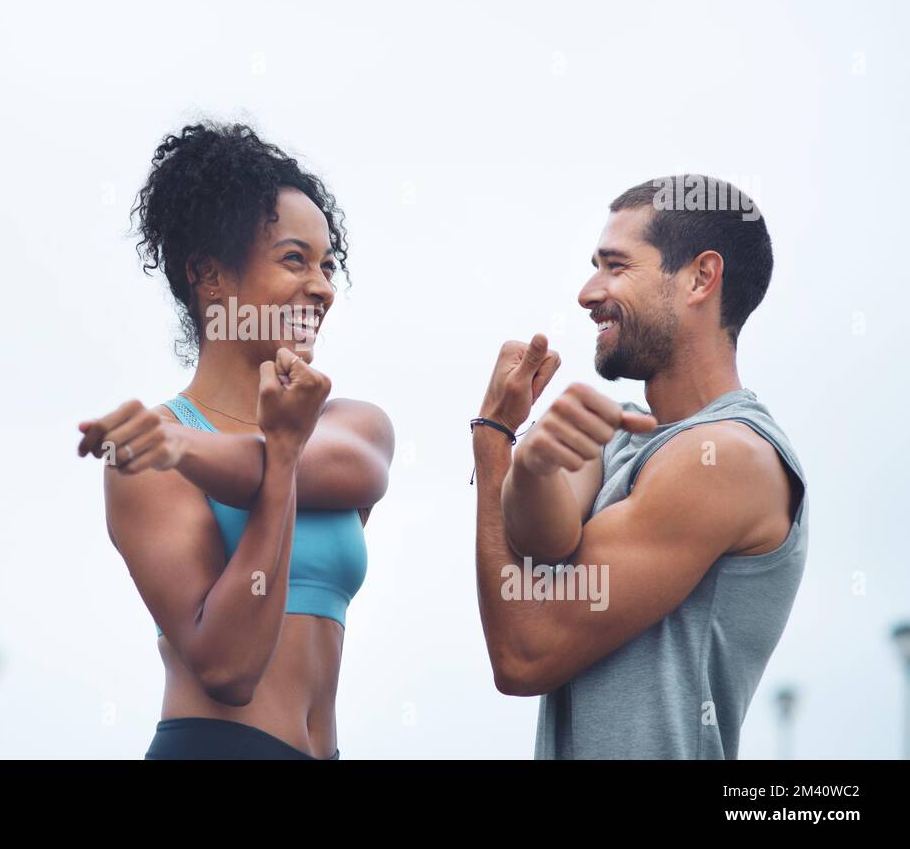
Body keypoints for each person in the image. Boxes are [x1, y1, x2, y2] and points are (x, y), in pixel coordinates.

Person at [77, 122, 394, 759]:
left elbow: (341, 468)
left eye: (328, 266)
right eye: (294, 260)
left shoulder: (349, 425)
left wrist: (189, 451)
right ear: (210, 277)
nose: (324, 286)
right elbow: (228, 669)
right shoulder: (147, 454)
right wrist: (273, 456)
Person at [471, 174, 807, 759]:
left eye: (615, 266)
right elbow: (539, 542)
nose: (586, 292)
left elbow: (525, 651)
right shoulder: (615, 437)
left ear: (701, 277)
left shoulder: (727, 457)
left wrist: (495, 445)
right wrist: (529, 467)